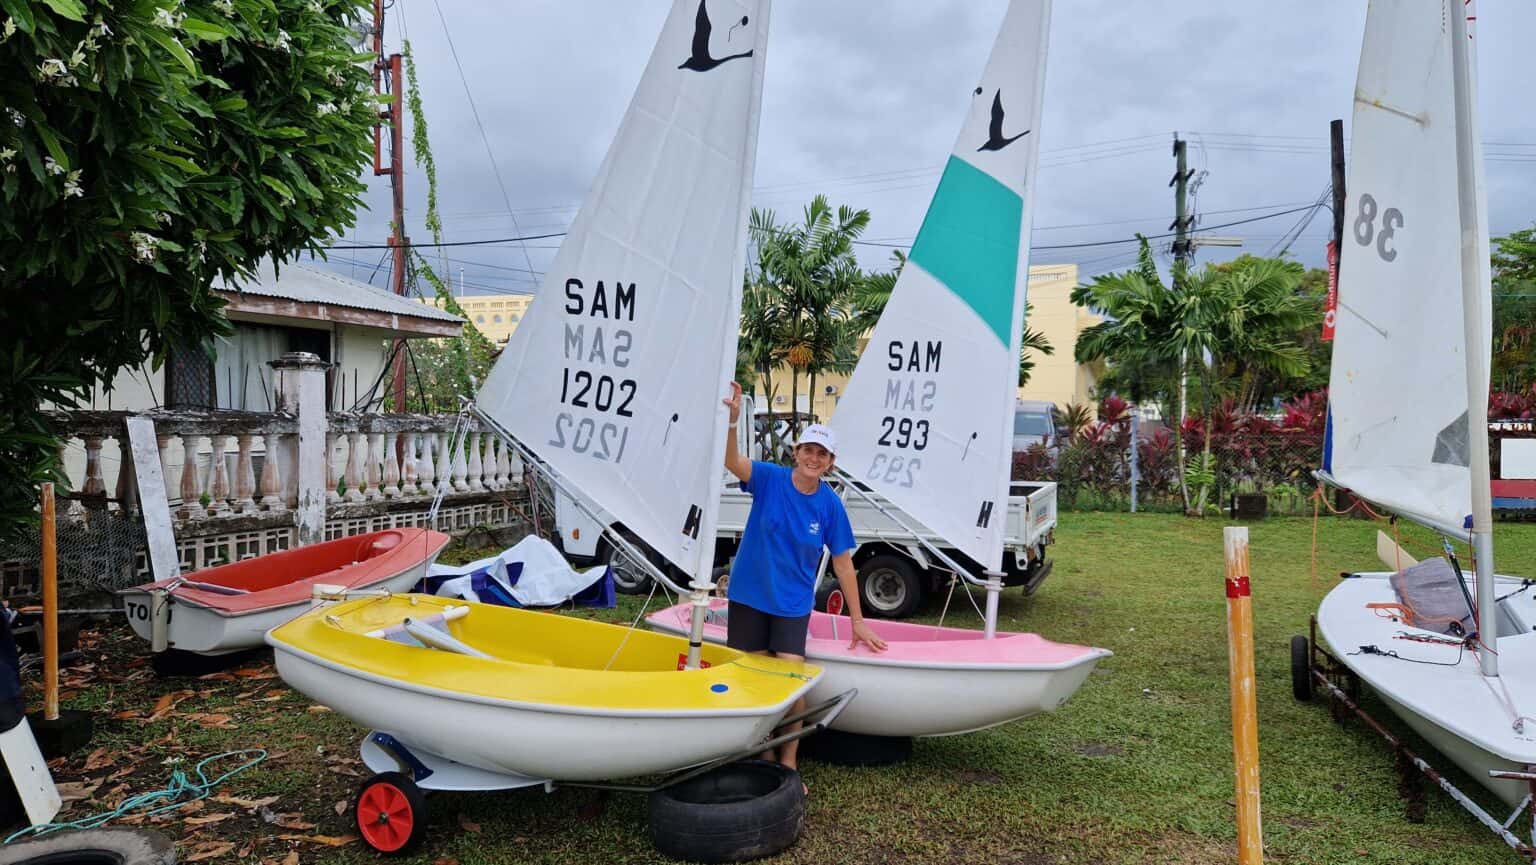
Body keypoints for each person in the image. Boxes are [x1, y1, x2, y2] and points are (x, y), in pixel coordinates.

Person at [721, 381, 887, 776]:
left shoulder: (829, 505)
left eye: (822, 454)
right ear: (796, 453)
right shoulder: (769, 479)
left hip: (791, 603)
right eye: (808, 450)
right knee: (755, 676)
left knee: (792, 678)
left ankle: (790, 760)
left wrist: (858, 622)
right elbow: (733, 463)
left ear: (830, 462)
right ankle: (764, 754)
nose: (814, 458)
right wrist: (731, 423)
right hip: (747, 595)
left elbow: (845, 566)